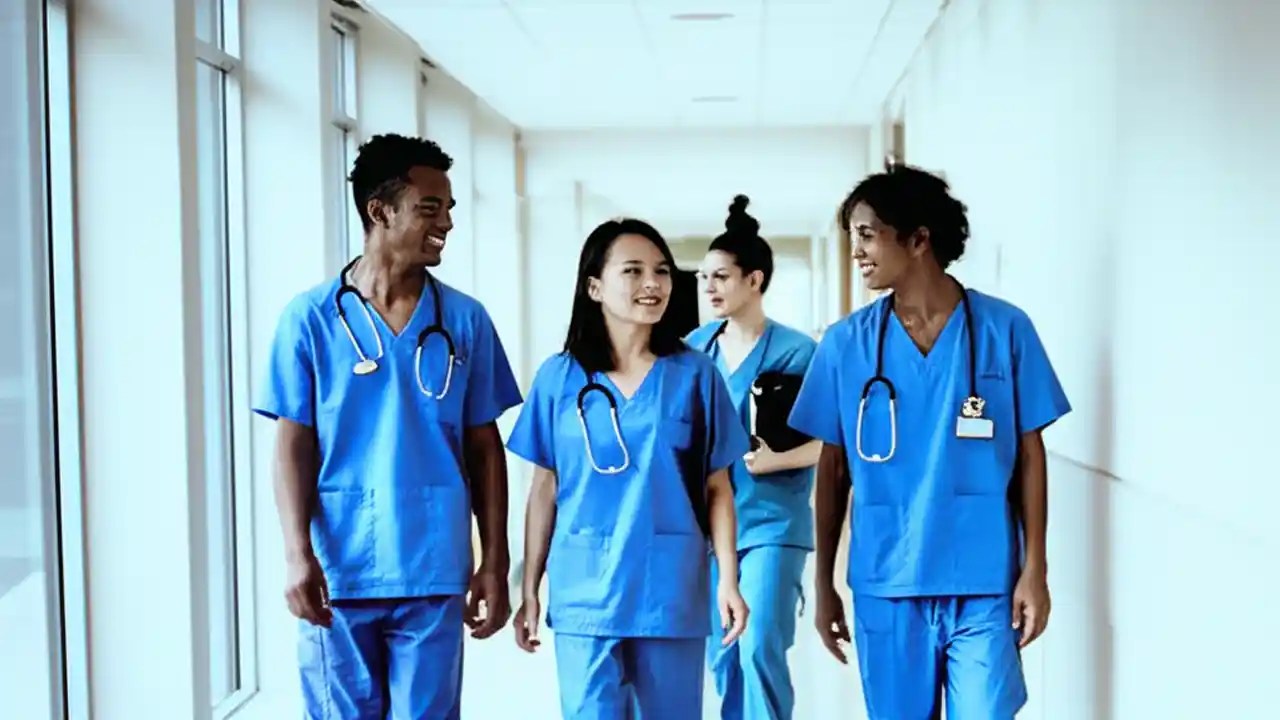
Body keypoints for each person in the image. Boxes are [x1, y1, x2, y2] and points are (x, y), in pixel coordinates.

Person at [252, 133, 523, 719]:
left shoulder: (465, 320)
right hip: (340, 570)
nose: (447, 222)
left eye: (449, 208)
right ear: (381, 210)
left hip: (431, 565)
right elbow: (292, 445)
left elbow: (485, 448)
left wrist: (496, 560)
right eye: (431, 207)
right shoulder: (310, 319)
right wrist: (297, 553)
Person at [788, 166, 1072, 719]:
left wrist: (1035, 568)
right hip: (887, 583)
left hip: (984, 580)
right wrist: (822, 584)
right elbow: (832, 471)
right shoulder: (847, 345)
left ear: (918, 239)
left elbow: (1030, 457)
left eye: (868, 235)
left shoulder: (1004, 330)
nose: (858, 251)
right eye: (853, 238)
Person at [507, 218, 751, 719]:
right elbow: (544, 489)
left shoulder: (695, 374)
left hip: (669, 590)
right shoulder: (558, 377)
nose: (652, 284)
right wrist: (529, 588)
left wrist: (728, 580)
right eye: (634, 271)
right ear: (594, 286)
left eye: (661, 271)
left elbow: (718, 488)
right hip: (583, 592)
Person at [686, 195, 821, 720]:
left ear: (755, 280)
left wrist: (775, 463)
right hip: (707, 525)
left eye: (721, 276)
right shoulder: (694, 350)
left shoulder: (796, 352)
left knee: (759, 640)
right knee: (722, 652)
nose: (710, 288)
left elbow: (831, 444)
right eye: (704, 279)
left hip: (772, 521)